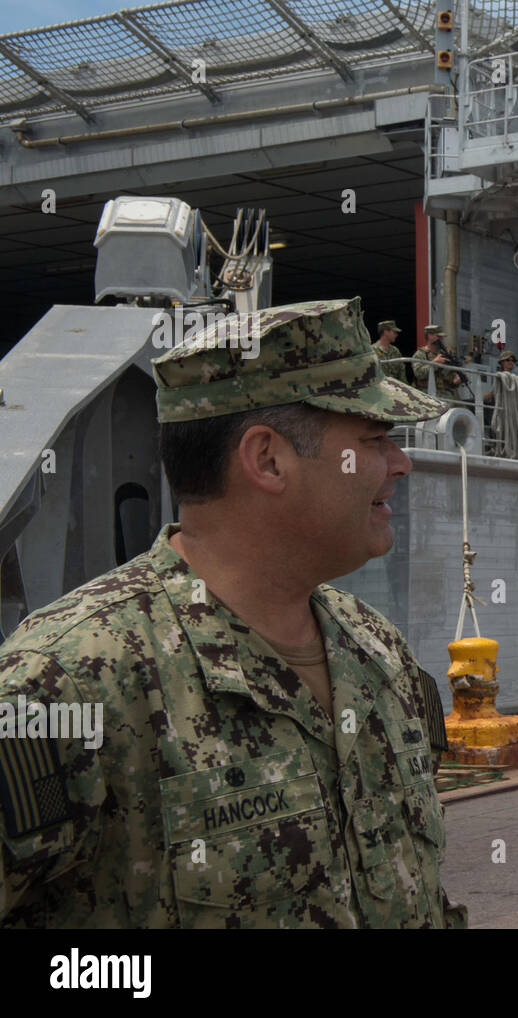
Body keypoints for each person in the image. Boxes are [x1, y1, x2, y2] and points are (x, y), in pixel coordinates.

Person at [0, 297, 462, 929]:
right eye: (376, 440)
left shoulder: (378, 650)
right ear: (267, 459)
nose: (401, 464)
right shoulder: (67, 683)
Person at [411, 324, 441, 392]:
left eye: (441, 336)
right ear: (429, 336)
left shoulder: (444, 353)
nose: (441, 339)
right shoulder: (420, 354)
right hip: (427, 392)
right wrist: (434, 363)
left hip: (446, 392)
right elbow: (419, 374)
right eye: (438, 336)